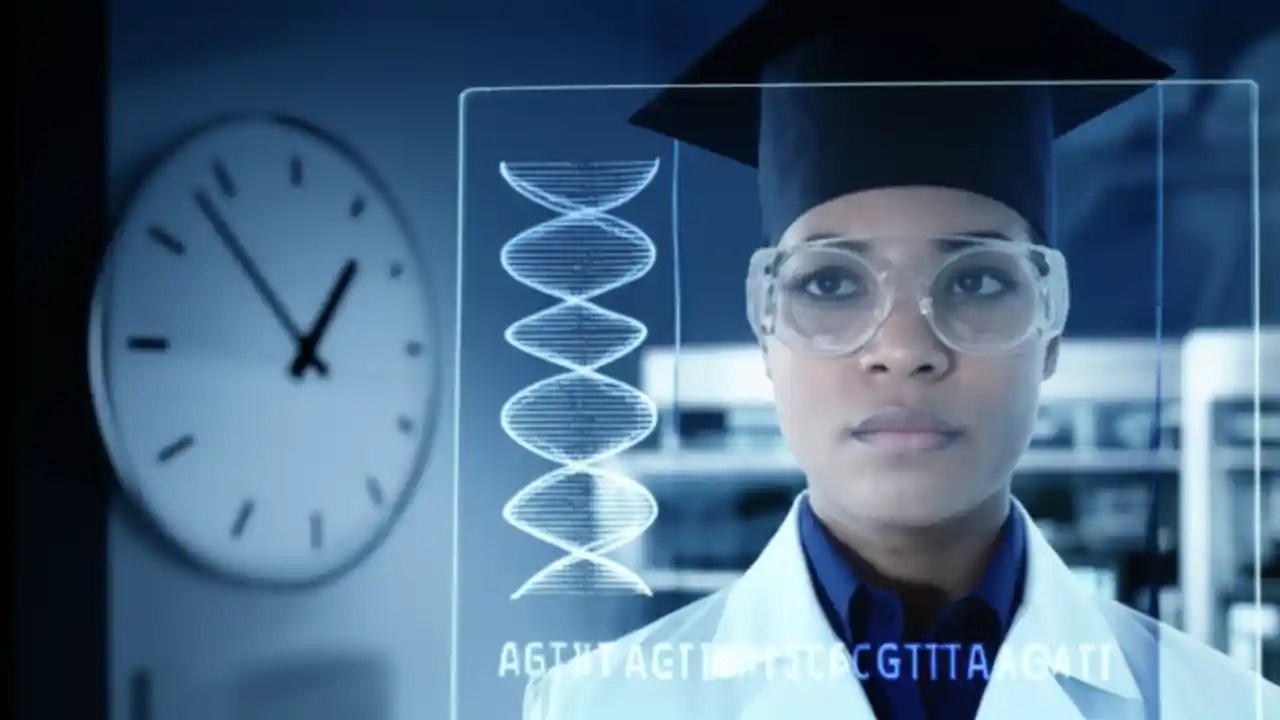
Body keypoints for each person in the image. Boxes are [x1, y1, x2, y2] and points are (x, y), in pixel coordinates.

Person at [522, 1, 1280, 718]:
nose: (905, 349)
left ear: (1050, 329)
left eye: (978, 280)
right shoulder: (600, 708)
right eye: (830, 282)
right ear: (766, 331)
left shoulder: (1222, 707)